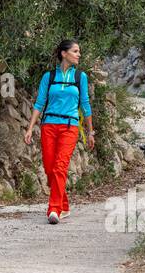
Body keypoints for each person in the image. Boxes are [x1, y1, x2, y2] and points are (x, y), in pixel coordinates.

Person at [25, 39, 94, 223]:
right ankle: (63, 204)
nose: (79, 54)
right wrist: (31, 128)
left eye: (79, 51)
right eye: (75, 51)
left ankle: (53, 209)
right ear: (64, 53)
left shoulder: (81, 77)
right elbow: (39, 103)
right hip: (48, 125)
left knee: (60, 166)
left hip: (69, 127)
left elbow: (85, 104)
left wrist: (90, 131)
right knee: (49, 168)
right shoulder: (49, 77)